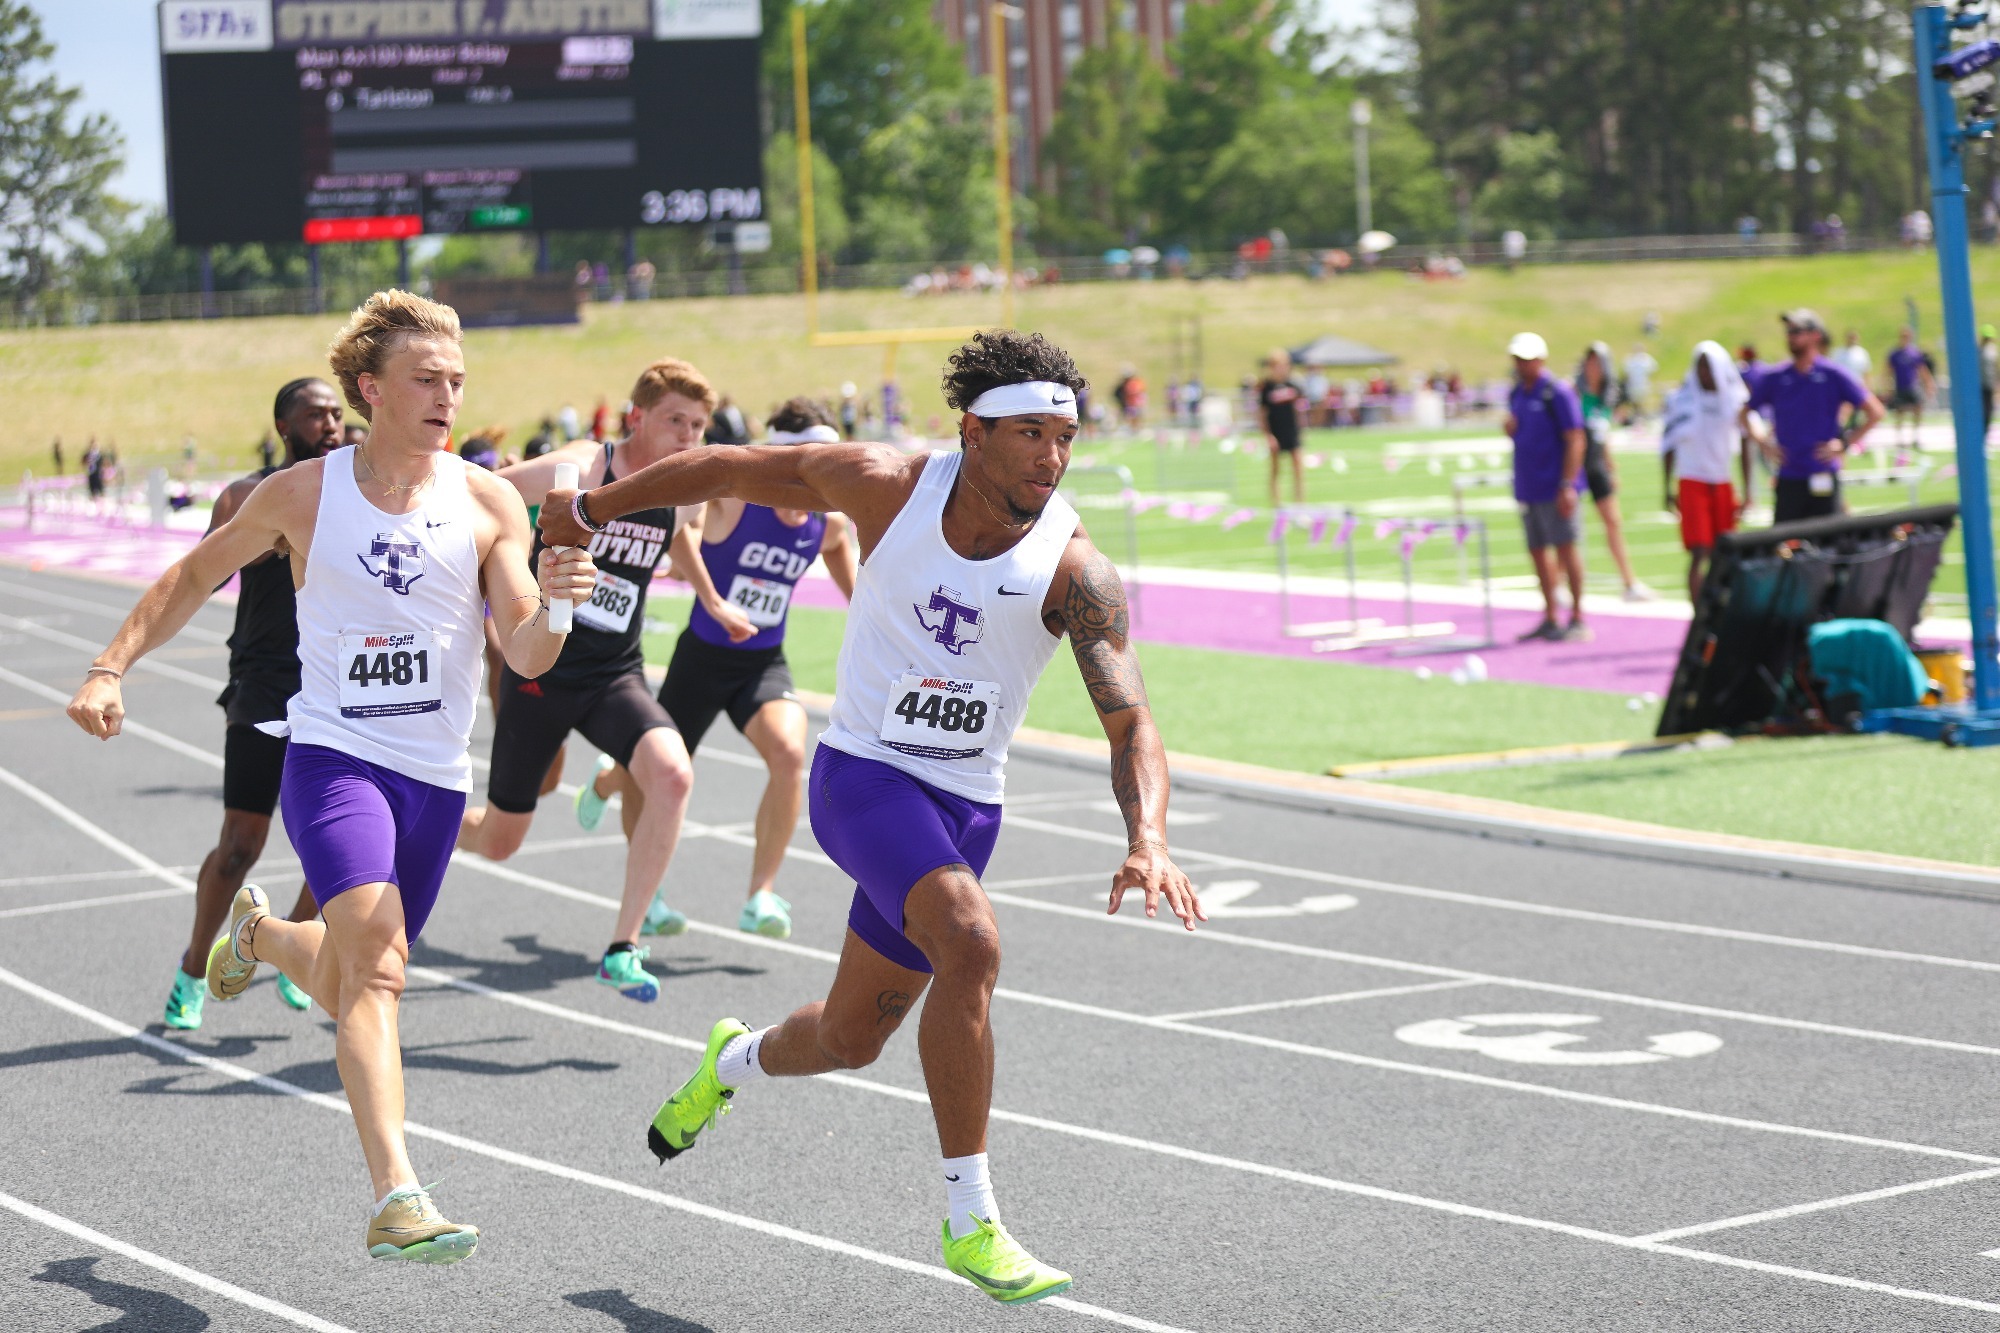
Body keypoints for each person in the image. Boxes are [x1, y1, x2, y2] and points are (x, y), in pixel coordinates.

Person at [538, 330, 1203, 1307]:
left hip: (966, 807)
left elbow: (1129, 718)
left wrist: (1146, 836)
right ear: (972, 431)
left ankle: (731, 1061)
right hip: (863, 778)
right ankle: (971, 1219)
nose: (1049, 458)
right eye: (1028, 434)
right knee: (970, 942)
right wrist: (583, 508)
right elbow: (724, 462)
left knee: (852, 1038)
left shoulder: (1074, 566)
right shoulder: (885, 485)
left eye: (1064, 437)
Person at [66, 290, 596, 1263]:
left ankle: (260, 933)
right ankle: (398, 1192)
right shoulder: (305, 494)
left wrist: (557, 609)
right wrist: (108, 666)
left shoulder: (485, 501)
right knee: (381, 971)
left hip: (433, 779)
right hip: (335, 758)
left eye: (457, 381)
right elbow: (191, 577)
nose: (447, 395)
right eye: (425, 379)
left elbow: (522, 653)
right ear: (370, 390)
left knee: (351, 974)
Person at [456, 359, 710, 1001]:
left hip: (613, 674)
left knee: (673, 774)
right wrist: (508, 575)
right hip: (543, 670)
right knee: (499, 842)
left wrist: (710, 592)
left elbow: (676, 544)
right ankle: (417, 809)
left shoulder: (681, 492)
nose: (687, 435)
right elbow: (479, 494)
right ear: (636, 418)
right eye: (674, 420)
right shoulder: (580, 467)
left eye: (698, 425)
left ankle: (623, 947)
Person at [580, 398, 858, 941]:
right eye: (808, 465)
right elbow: (680, 531)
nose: (819, 481)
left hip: (761, 664)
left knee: (790, 753)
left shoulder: (825, 526)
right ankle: (644, 873)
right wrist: (711, 598)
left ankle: (761, 894)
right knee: (653, 772)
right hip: (702, 661)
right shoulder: (735, 505)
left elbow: (857, 588)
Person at [161, 378, 345, 1033]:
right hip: (265, 683)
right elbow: (200, 575)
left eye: (336, 412)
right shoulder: (246, 496)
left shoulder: (356, 493)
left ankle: (296, 947)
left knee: (337, 840)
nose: (330, 422)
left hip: (335, 686)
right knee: (241, 844)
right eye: (315, 413)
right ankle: (190, 970)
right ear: (283, 425)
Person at [1740, 310, 1885, 523]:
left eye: (1797, 331)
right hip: (1789, 476)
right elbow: (1744, 413)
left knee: (1830, 547)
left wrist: (1844, 444)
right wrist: (1764, 444)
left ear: (1815, 335)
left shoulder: (1832, 374)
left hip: (1823, 474)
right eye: (1788, 332)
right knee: (1784, 547)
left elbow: (1875, 411)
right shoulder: (1776, 377)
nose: (1790, 337)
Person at [1503, 332, 1590, 642]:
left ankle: (1578, 617)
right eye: (1518, 359)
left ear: (1540, 359)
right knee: (1538, 552)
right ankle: (1551, 616)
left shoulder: (1557, 392)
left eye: (1526, 360)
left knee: (1566, 549)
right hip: (1529, 485)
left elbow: (1576, 438)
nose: (1521, 365)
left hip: (1555, 486)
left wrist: (1568, 484)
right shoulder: (1517, 393)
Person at [1660, 343, 1752, 600]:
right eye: (1699, 366)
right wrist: (1666, 488)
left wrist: (1748, 489)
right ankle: (1700, 612)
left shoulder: (1733, 399)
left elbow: (1746, 443)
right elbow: (1669, 445)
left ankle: (1721, 606)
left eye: (1708, 366)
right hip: (1692, 480)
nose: (1704, 372)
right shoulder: (1683, 401)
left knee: (1726, 551)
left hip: (1722, 480)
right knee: (1699, 551)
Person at [1575, 344, 1654, 601]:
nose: (1593, 368)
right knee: (1569, 529)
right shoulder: (1575, 395)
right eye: (1590, 362)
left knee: (1613, 521)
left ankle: (1629, 582)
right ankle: (1561, 583)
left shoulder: (1605, 397)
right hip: (1575, 465)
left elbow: (1602, 433)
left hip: (1596, 464)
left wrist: (1610, 464)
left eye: (1598, 363)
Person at [1259, 349, 1307, 505]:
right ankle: (1277, 504)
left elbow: (1299, 408)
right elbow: (1262, 414)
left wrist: (1300, 429)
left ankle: (1300, 504)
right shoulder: (1267, 387)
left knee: (1298, 469)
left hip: (1291, 431)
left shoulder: (1292, 384)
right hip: (1276, 431)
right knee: (1276, 470)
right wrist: (1268, 436)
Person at [1884, 328, 1938, 449]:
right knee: (1900, 413)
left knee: (1918, 410)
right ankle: (1899, 438)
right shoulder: (1895, 354)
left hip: (1912, 386)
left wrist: (1929, 383)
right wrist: (1888, 387)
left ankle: (1916, 436)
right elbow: (1888, 371)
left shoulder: (1914, 353)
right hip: (1900, 387)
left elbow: (1922, 369)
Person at [1622, 344, 1658, 416]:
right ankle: (1636, 414)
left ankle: (1641, 415)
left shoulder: (1646, 359)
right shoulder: (1630, 359)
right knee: (1635, 401)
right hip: (1634, 384)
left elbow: (1653, 369)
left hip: (1643, 384)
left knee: (1642, 401)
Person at [1983, 324, 1999, 441]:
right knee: (1981, 411)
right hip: (1979, 386)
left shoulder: (1992, 350)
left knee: (1988, 411)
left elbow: (1995, 367)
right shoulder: (1977, 350)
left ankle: (1984, 435)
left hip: (1988, 385)